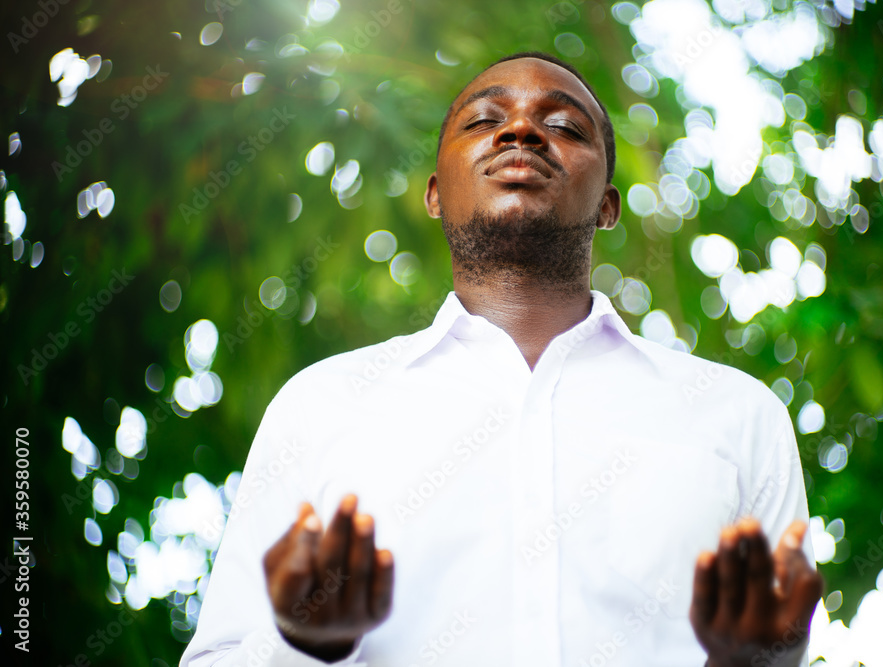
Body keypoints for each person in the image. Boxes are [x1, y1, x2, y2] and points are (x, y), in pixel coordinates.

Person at [181, 51, 822, 667]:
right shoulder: (319, 407)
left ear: (607, 205)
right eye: (486, 121)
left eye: (565, 126)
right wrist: (300, 647)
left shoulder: (738, 418)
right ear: (435, 194)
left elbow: (783, 646)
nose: (521, 130)